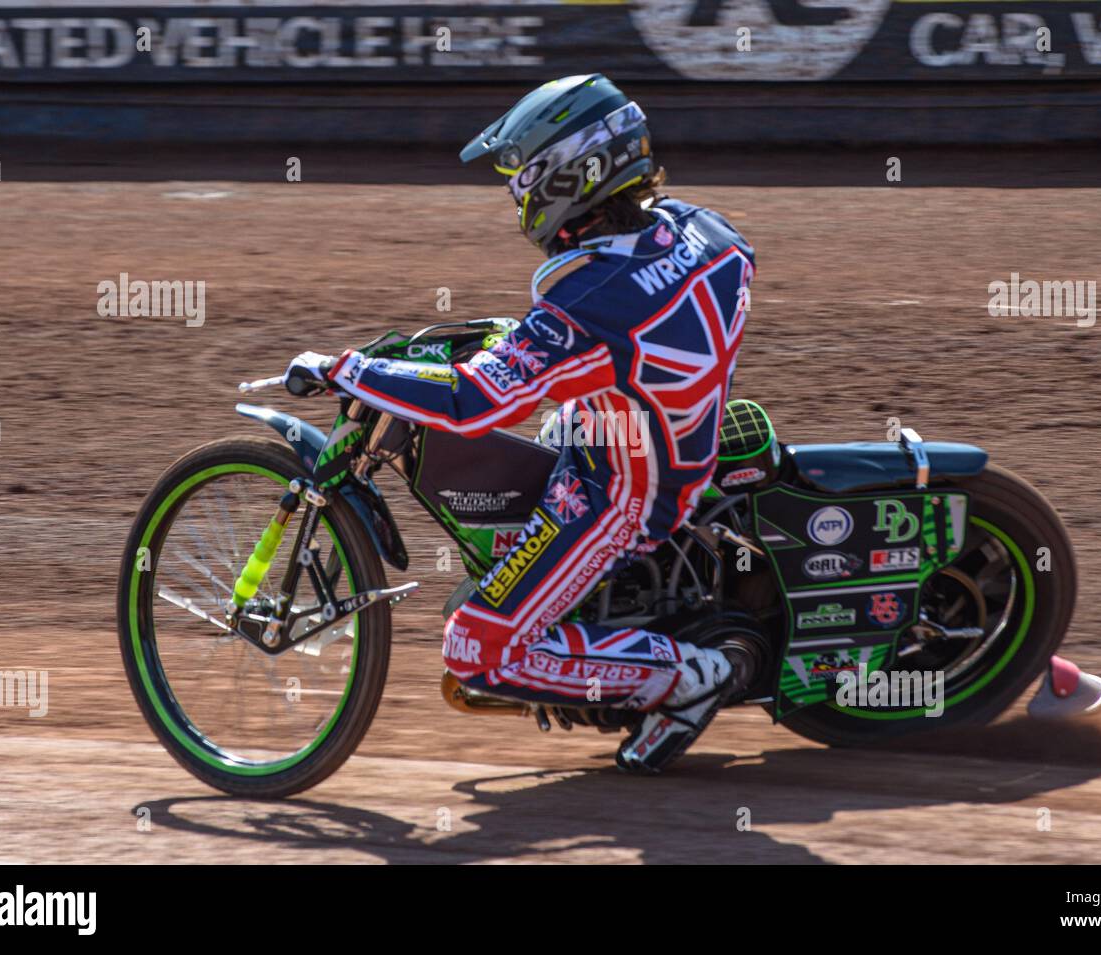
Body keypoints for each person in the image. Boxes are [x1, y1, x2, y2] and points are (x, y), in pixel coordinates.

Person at [285, 74, 756, 774]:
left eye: (524, 176)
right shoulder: (700, 228)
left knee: (475, 648)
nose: (517, 195)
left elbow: (478, 403)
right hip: (664, 430)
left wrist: (347, 369)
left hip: (624, 492)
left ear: (575, 172)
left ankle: (690, 676)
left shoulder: (587, 299)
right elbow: (631, 325)